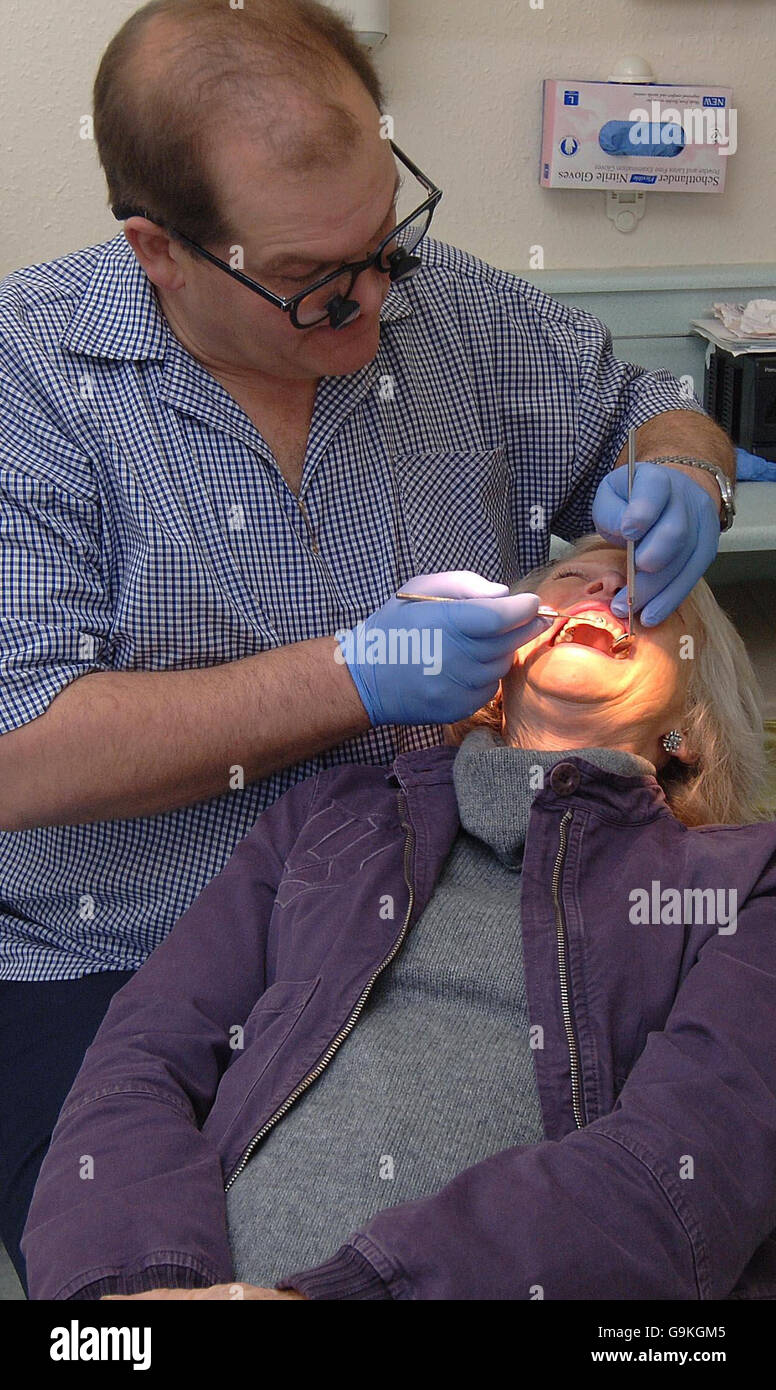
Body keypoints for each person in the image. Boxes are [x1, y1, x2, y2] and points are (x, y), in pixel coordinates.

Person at [0, 0, 736, 1285]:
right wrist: (345, 677)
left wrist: (681, 469)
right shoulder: (33, 382)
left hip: (440, 908)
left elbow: (657, 404)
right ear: (158, 250)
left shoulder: (440, 311)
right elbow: (20, 754)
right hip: (111, 954)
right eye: (311, 281)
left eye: (386, 239)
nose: (377, 297)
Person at [22, 537, 776, 1302]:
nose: (598, 590)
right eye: (570, 575)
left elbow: (681, 1173)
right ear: (493, 670)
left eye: (643, 597)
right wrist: (128, 1291)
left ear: (691, 720)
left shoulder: (747, 882)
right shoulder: (330, 817)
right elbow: (142, 1058)